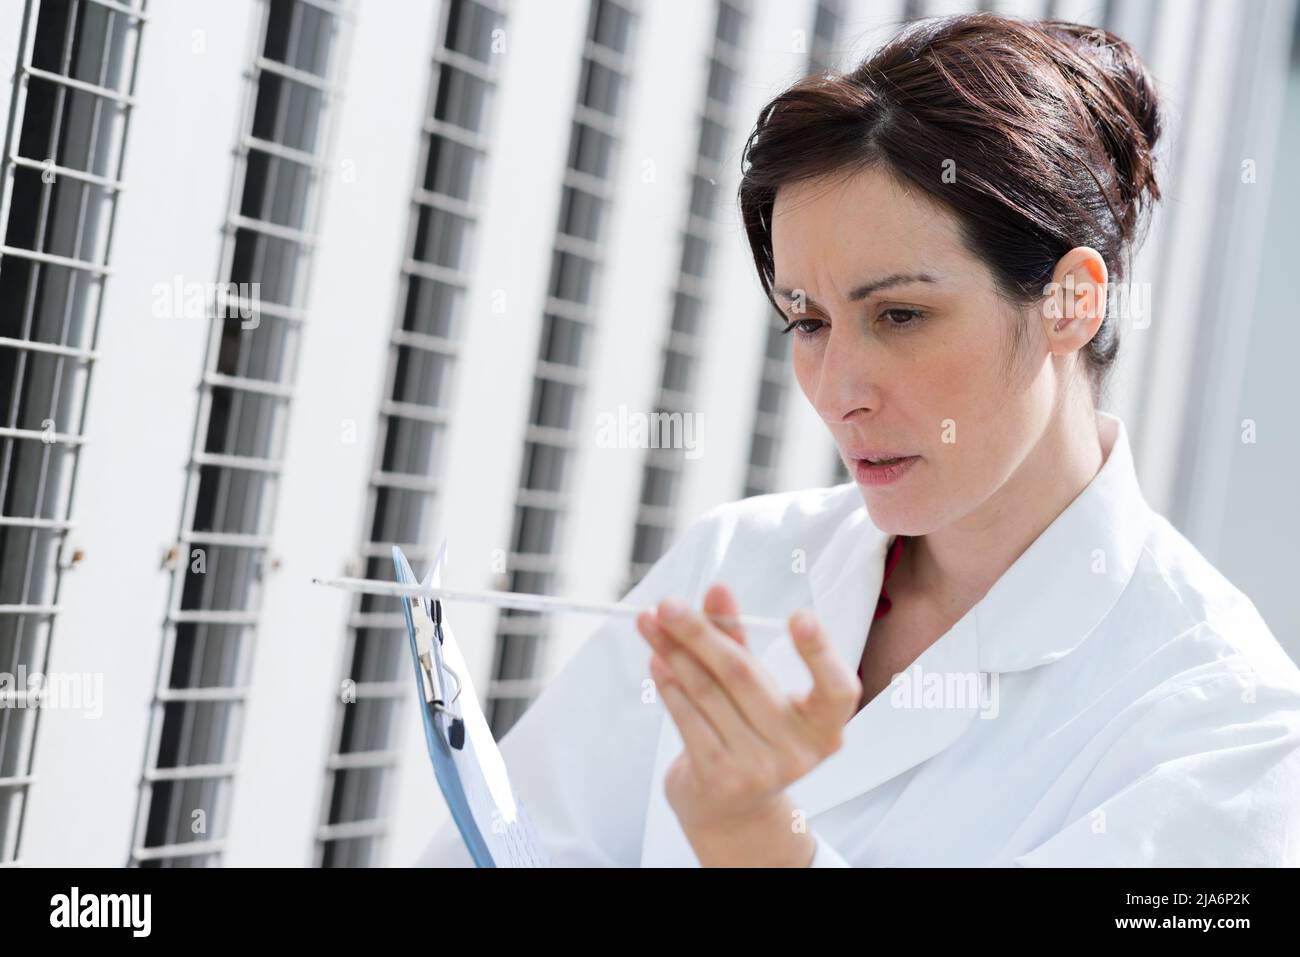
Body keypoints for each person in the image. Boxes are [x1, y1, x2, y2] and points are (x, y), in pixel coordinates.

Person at [420, 12, 1300, 867]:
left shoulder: (1226, 730)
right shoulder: (737, 564)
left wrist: (764, 853)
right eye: (808, 322)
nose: (839, 393)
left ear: (1072, 302)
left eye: (901, 314)